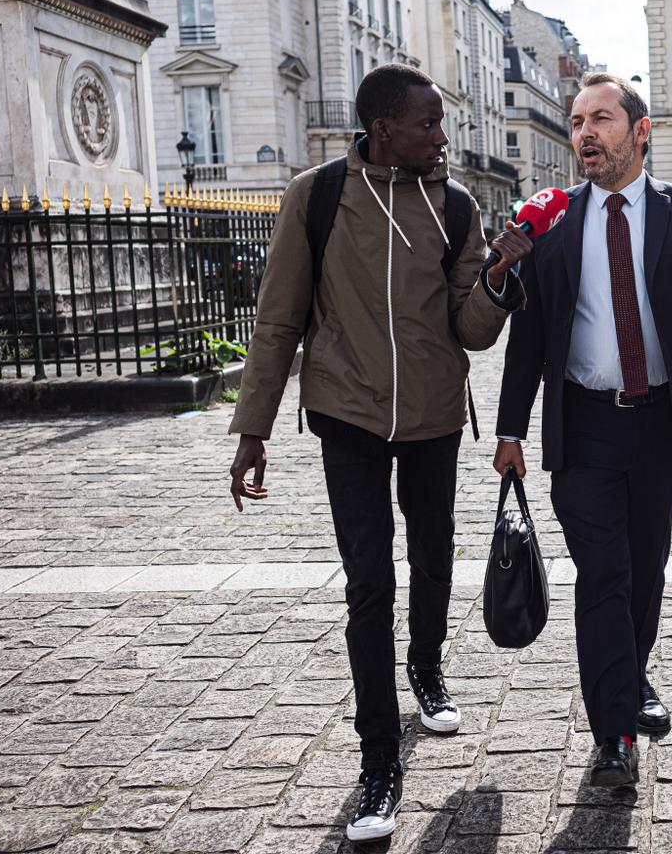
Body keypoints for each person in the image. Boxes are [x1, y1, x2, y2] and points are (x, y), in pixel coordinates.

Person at [225, 64, 532, 843]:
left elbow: (469, 329)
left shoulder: (456, 205)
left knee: (432, 562)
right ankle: (377, 763)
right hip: (347, 414)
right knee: (369, 584)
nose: (442, 135)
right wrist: (252, 430)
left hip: (431, 415)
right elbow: (278, 317)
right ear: (385, 126)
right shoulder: (318, 195)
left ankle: (426, 668)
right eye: (429, 123)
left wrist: (497, 274)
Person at [493, 73, 672, 787]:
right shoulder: (549, 221)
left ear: (639, 132)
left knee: (644, 570)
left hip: (659, 426)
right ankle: (613, 733)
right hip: (582, 426)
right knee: (604, 573)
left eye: (601, 119)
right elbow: (530, 334)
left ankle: (631, 677)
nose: (584, 132)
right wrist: (510, 431)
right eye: (578, 120)